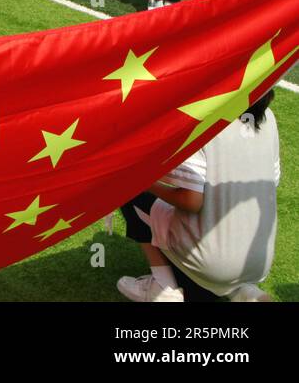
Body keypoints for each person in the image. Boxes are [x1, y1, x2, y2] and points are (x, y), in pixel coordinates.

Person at [118, 89, 279, 303]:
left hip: (210, 262)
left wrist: (144, 182)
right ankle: (241, 290)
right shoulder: (269, 119)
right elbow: (271, 183)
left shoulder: (205, 119)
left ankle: (163, 286)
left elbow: (191, 201)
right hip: (258, 261)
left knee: (130, 188)